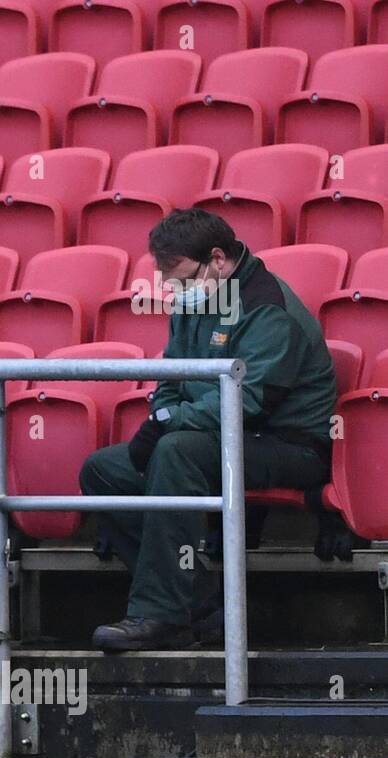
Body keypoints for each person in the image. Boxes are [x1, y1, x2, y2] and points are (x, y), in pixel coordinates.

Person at [80, 209, 337, 650]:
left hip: (288, 445)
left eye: (181, 279)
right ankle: (204, 608)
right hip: (216, 435)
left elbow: (248, 403)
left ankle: (158, 615)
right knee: (103, 471)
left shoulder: (268, 308)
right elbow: (172, 378)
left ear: (218, 259)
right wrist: (164, 413)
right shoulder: (195, 300)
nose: (174, 292)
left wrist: (168, 422)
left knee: (176, 450)